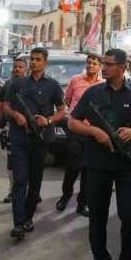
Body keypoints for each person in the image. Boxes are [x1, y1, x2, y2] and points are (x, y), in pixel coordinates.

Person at [68, 49, 131, 260]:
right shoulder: (93, 93)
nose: (103, 67)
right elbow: (73, 122)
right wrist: (95, 133)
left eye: (108, 64)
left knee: (129, 217)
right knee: (97, 217)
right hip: (98, 165)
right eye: (103, 63)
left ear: (122, 67)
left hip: (128, 166)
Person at [2, 47, 66, 240]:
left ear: (45, 62)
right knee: (20, 180)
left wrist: (47, 121)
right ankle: (18, 223)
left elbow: (62, 111)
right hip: (19, 139)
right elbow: (5, 105)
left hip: (41, 140)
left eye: (38, 59)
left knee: (35, 181)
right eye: (32, 59)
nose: (34, 62)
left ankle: (28, 217)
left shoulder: (53, 86)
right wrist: (16, 115)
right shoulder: (18, 84)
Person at [57, 53, 103, 216]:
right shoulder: (76, 80)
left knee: (88, 170)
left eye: (94, 63)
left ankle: (82, 203)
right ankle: (65, 196)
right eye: (89, 62)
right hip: (76, 129)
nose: (90, 65)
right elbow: (68, 100)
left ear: (100, 67)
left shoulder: (103, 84)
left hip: (94, 132)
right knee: (73, 166)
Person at [0, 57, 30, 203]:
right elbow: (0, 107)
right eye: (15, 67)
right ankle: (13, 190)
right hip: (11, 129)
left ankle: (31, 192)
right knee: (11, 161)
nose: (17, 69)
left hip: (30, 130)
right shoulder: (8, 85)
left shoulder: (32, 85)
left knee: (30, 162)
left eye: (20, 67)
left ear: (26, 69)